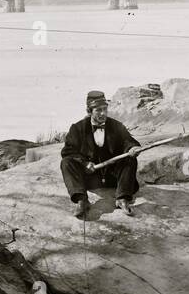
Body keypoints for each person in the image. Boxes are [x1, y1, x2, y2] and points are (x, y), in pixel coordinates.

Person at [60, 90, 143, 218]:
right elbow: (68, 151)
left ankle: (122, 198)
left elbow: (129, 142)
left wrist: (132, 148)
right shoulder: (77, 128)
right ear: (89, 111)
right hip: (90, 179)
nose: (103, 113)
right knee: (66, 163)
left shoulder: (116, 126)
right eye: (98, 110)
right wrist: (84, 163)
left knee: (130, 159)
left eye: (105, 109)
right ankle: (82, 201)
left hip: (112, 177)